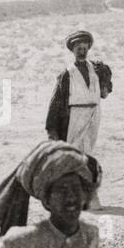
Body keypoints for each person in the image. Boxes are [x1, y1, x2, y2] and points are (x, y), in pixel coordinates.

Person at [45, 30, 112, 205]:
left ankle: (86, 196)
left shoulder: (97, 70)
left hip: (94, 115)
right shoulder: (67, 74)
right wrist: (52, 128)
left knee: (88, 154)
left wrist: (105, 78)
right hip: (74, 116)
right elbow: (56, 102)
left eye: (85, 48)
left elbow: (104, 94)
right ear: (73, 51)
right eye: (78, 48)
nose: (82, 51)